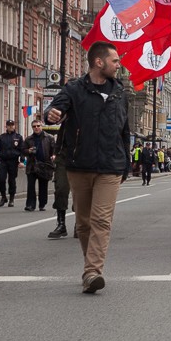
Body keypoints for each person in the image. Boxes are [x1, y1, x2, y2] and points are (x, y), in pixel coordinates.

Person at [45, 41, 130, 294]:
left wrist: (125, 161)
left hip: (110, 166)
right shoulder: (74, 89)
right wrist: (53, 112)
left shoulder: (120, 93)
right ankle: (89, 265)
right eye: (115, 61)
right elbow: (55, 107)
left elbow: (124, 131)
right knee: (83, 223)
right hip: (78, 164)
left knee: (101, 220)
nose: (119, 65)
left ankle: (92, 271)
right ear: (99, 62)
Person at [23, 119, 54, 212]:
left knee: (43, 186)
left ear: (42, 126)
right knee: (31, 186)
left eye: (38, 126)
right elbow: (23, 150)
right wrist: (28, 151)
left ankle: (42, 204)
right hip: (32, 165)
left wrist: (53, 156)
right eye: (34, 126)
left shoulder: (49, 137)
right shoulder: (29, 139)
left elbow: (54, 150)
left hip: (45, 165)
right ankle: (30, 205)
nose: (36, 128)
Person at [0, 119, 24, 207]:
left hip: (13, 161)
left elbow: (22, 149)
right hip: (3, 161)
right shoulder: (2, 137)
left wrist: (22, 161)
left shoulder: (18, 137)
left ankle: (11, 199)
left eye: (12, 125)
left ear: (14, 126)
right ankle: (3, 196)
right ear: (6, 126)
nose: (10, 127)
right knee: (0, 179)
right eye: (9, 125)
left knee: (11, 181)